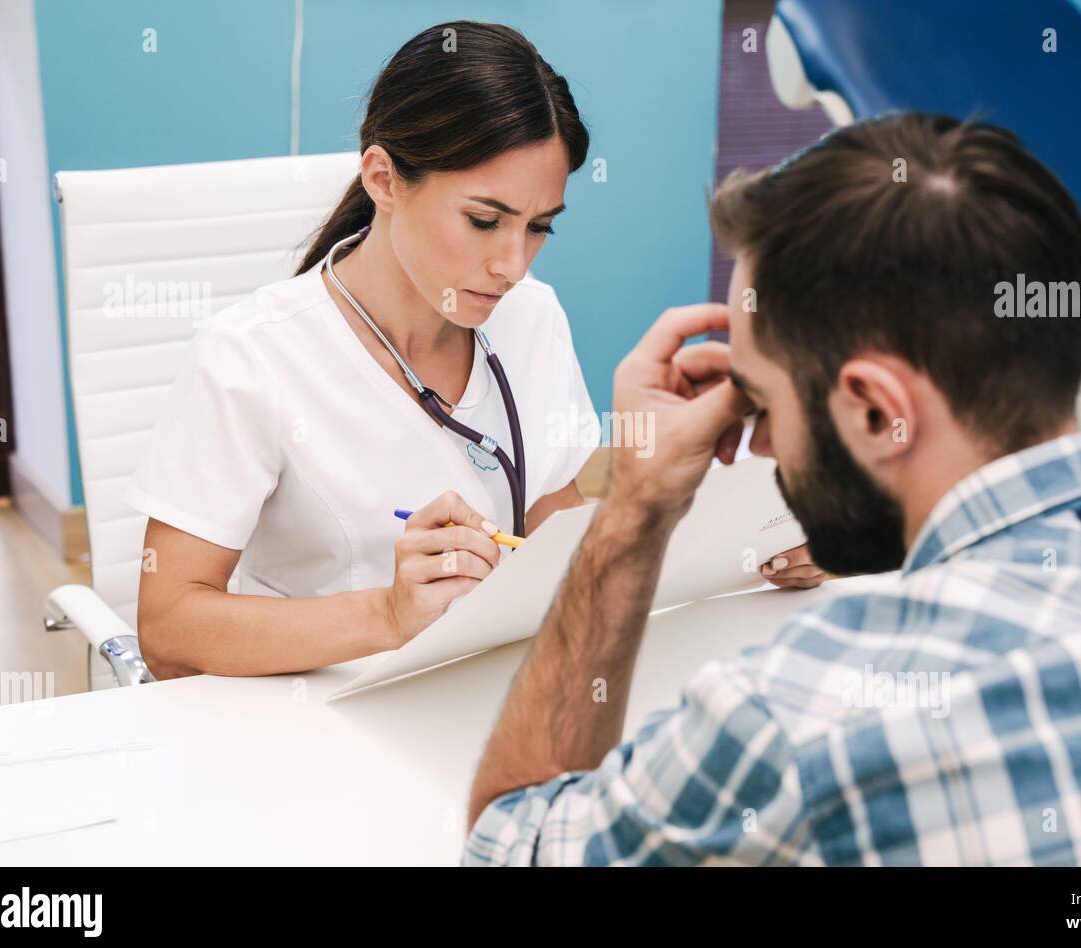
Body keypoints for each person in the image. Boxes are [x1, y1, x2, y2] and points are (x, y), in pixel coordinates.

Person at [462, 112, 1081, 866]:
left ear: (877, 411)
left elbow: (510, 844)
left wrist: (633, 506)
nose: (759, 441)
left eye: (762, 400)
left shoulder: (800, 722)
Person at [125, 21, 820, 681]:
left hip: (483, 688)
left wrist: (739, 545)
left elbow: (553, 524)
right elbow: (168, 627)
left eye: (539, 227)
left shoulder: (532, 317)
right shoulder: (249, 359)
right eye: (484, 221)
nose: (513, 265)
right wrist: (387, 613)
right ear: (383, 179)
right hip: (313, 712)